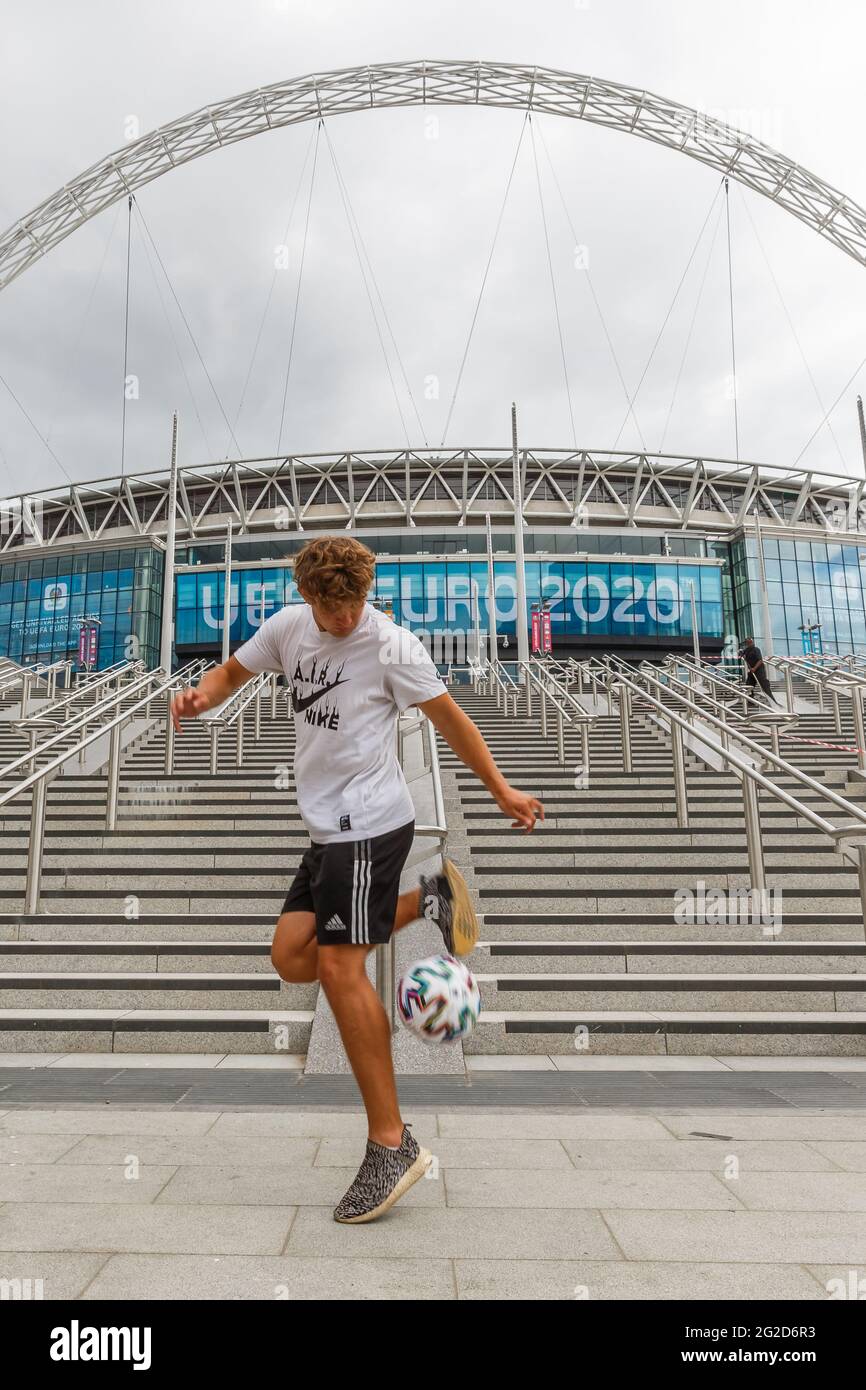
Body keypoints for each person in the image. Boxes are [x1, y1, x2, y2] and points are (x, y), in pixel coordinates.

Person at [170, 535, 543, 1224]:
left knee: (342, 970)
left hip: (370, 823)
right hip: (323, 829)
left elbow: (452, 721)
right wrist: (201, 698)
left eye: (355, 606)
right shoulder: (287, 626)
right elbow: (231, 673)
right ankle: (431, 897)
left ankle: (390, 1143)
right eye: (332, 608)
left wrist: (500, 790)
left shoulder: (394, 646)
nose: (346, 620)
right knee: (291, 957)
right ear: (309, 596)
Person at [738, 636, 778, 709]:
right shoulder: (746, 650)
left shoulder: (756, 650)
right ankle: (751, 701)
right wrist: (741, 653)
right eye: (747, 642)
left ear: (752, 642)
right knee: (749, 685)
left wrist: (754, 668)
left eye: (749, 642)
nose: (748, 644)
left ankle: (773, 701)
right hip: (752, 671)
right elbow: (741, 654)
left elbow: (760, 660)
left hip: (759, 670)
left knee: (764, 685)